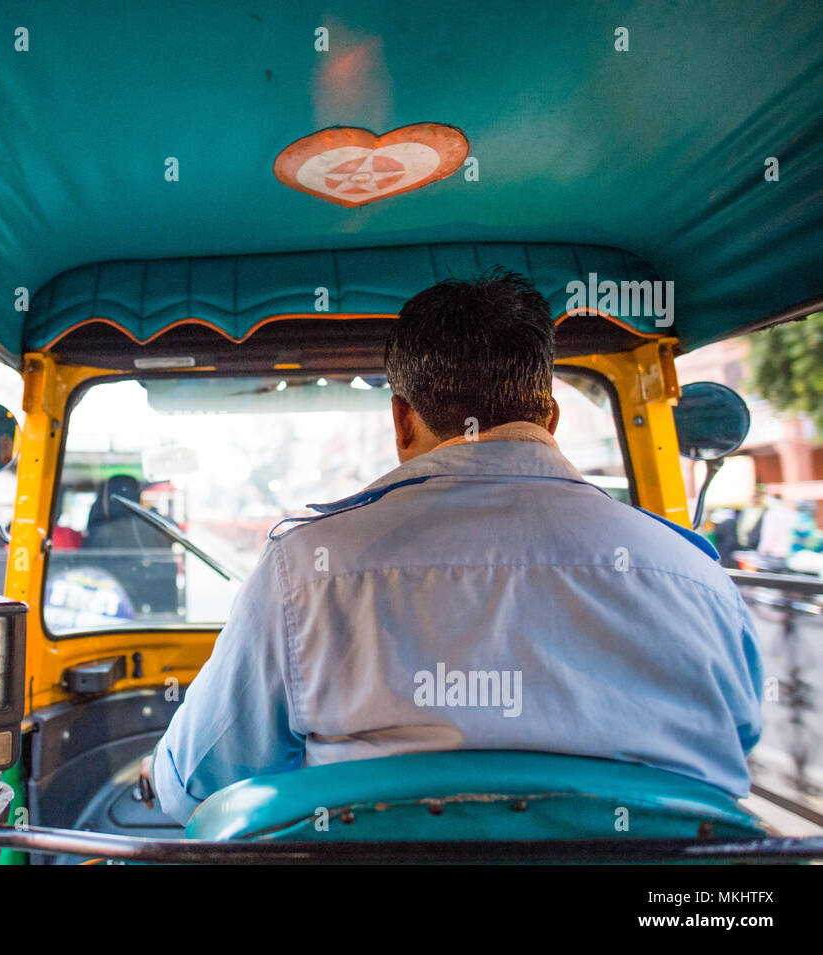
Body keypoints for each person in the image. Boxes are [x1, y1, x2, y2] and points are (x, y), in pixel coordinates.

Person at [141, 270, 763, 825]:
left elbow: (194, 788)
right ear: (549, 419)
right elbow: (737, 743)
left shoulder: (304, 573)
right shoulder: (697, 581)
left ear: (402, 420)